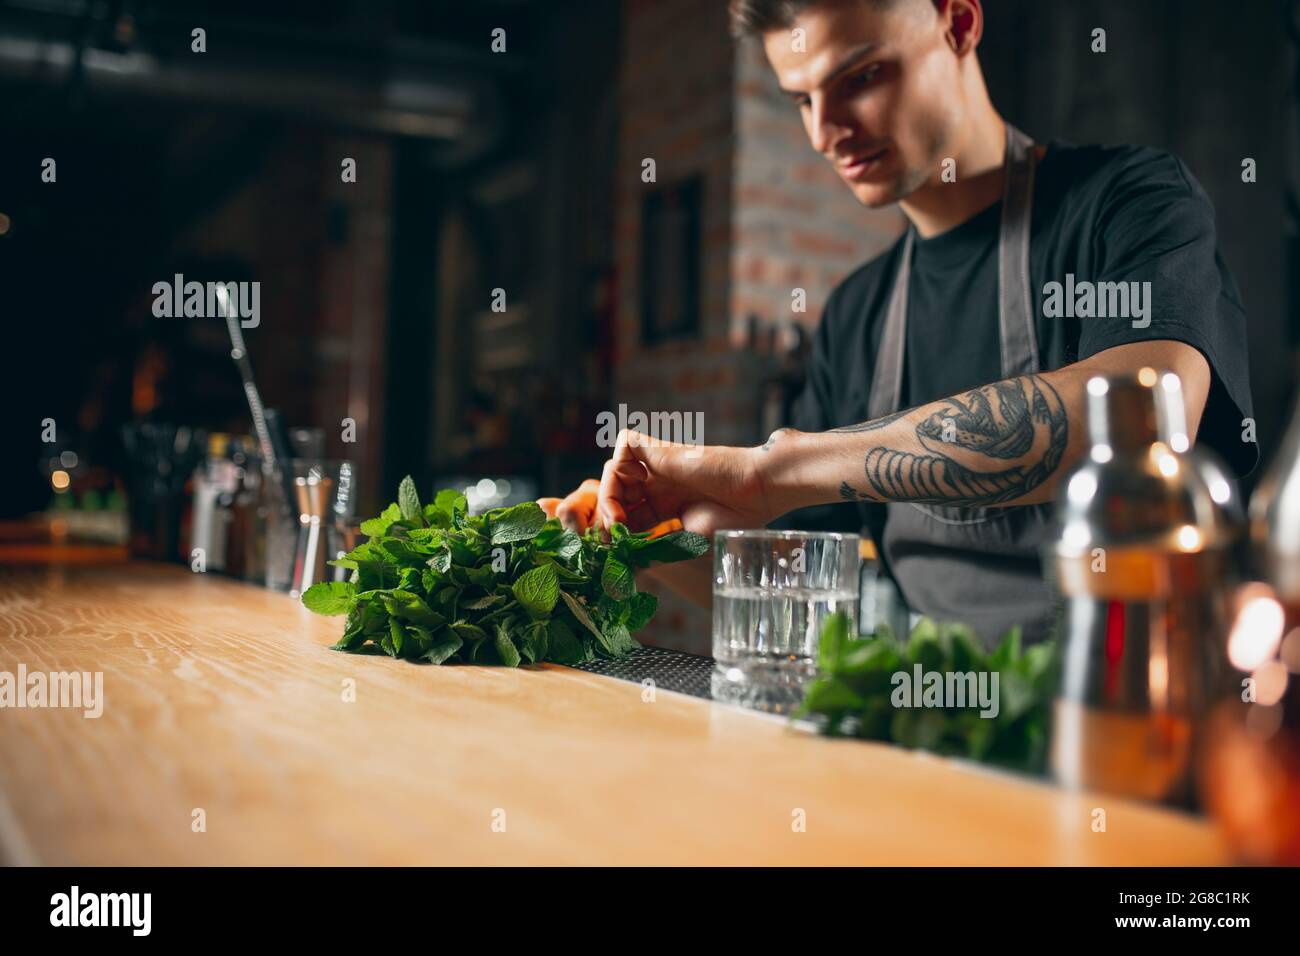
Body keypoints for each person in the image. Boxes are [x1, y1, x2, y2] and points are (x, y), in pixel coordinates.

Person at [541, 0, 1256, 646]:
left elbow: (1144, 417)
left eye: (861, 77)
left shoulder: (1127, 203)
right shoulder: (858, 311)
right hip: (935, 730)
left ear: (959, 23)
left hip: (1132, 713)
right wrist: (650, 543)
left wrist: (779, 467)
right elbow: (807, 596)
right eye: (801, 99)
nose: (825, 132)